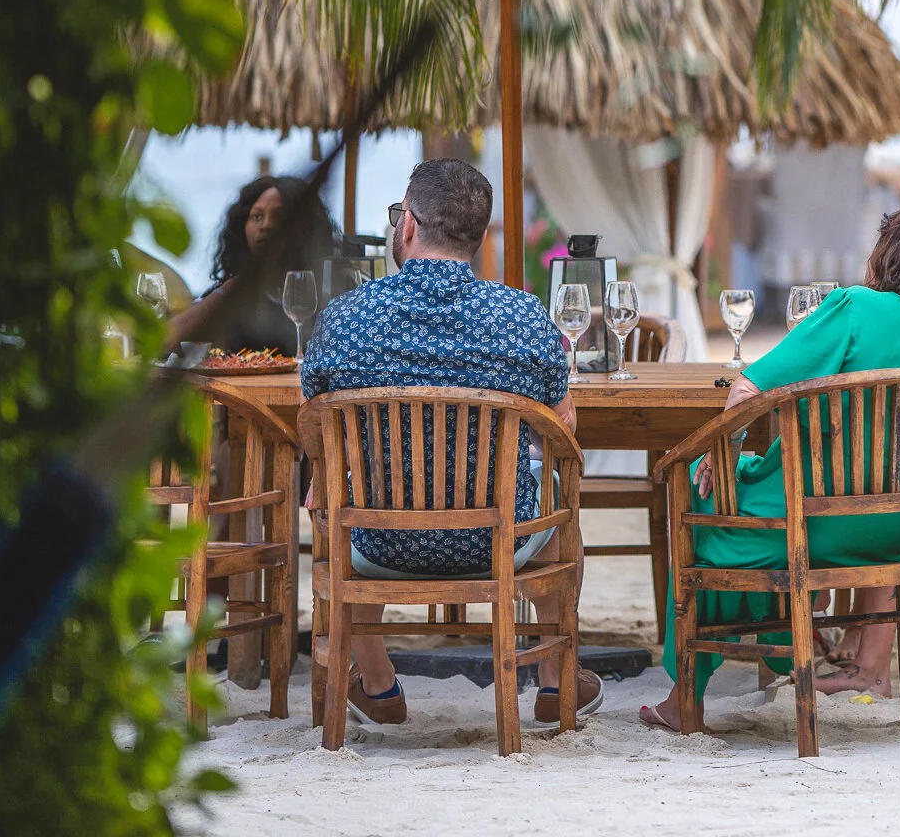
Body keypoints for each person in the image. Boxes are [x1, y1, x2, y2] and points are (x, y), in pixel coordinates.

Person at [641, 199, 900, 730]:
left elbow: (751, 387)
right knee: (739, 495)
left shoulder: (854, 307)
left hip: (816, 523)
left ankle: (688, 696)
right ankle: (780, 641)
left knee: (695, 489)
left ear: (891, 253)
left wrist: (717, 450)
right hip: (895, 527)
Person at [301, 156, 601, 727]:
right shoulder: (523, 317)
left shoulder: (343, 318)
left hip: (376, 543)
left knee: (331, 503)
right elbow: (562, 429)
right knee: (561, 513)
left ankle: (381, 685)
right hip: (498, 544)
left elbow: (314, 420)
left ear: (408, 226)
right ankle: (555, 681)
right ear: (480, 238)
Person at [188, 173, 340, 354]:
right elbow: (172, 337)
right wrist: (233, 286)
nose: (266, 225)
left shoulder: (329, 290)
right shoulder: (235, 291)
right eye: (257, 216)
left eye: (279, 216)